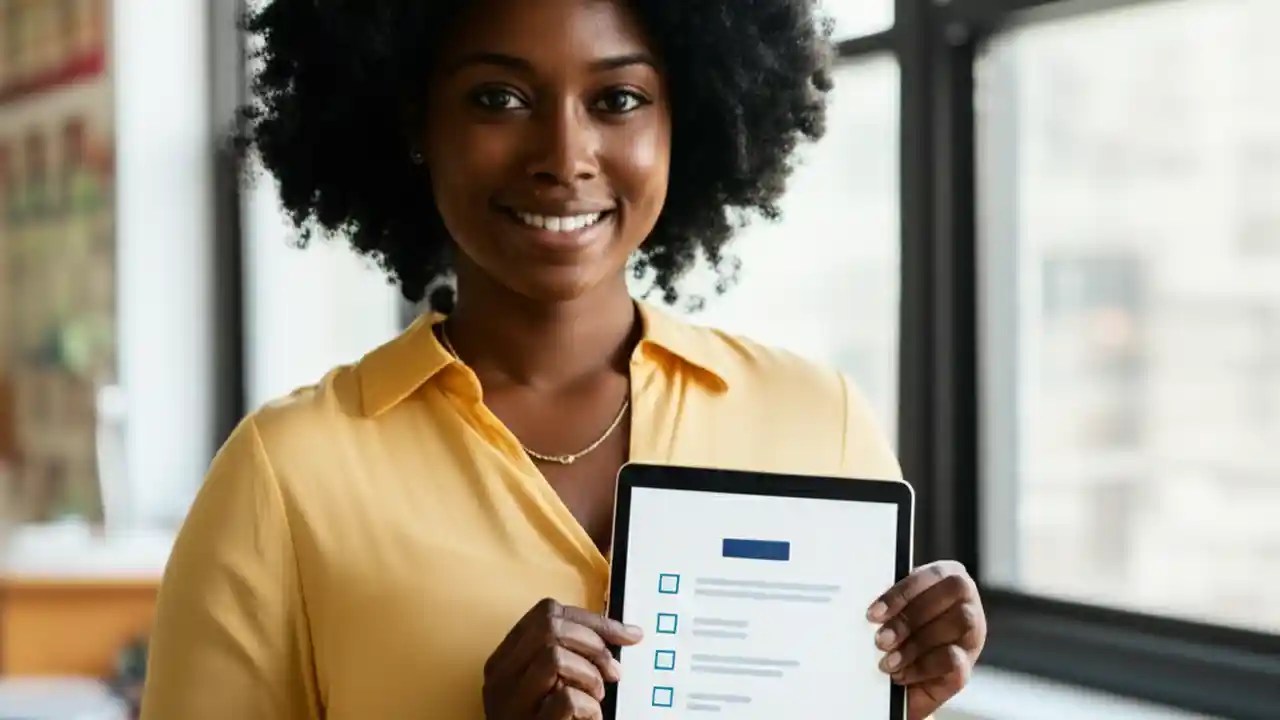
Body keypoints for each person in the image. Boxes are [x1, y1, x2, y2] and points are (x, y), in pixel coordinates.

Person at [140, 1, 987, 718]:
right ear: (413, 121)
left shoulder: (818, 420)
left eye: (618, 97)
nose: (563, 155)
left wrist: (905, 697)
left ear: (683, 117)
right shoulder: (285, 476)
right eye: (498, 97)